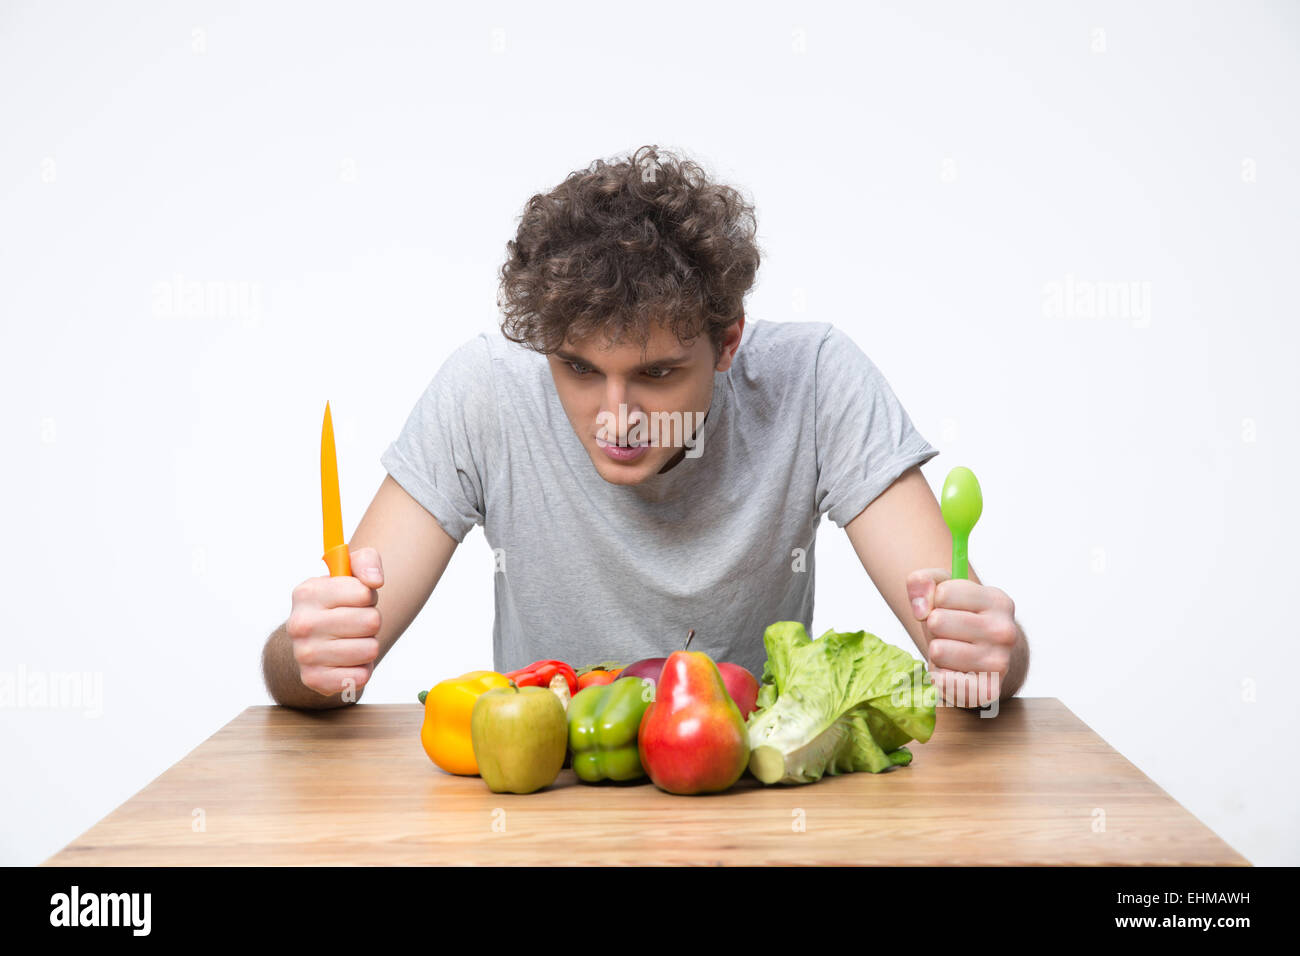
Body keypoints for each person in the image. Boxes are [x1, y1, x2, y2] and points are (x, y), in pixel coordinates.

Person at [261, 145, 1029, 712]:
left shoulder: (816, 378)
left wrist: (990, 648)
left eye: (658, 374)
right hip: (552, 798)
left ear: (728, 342)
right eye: (580, 371)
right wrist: (309, 657)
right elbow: (317, 678)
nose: (617, 418)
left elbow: (969, 646)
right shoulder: (485, 393)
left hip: (741, 803)